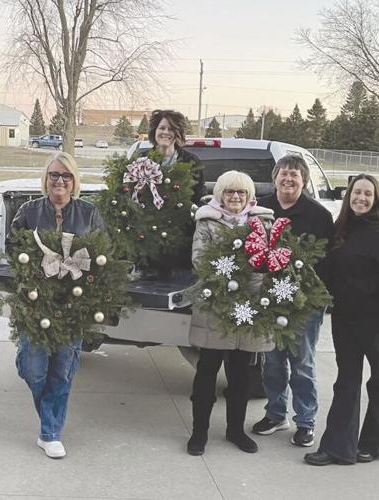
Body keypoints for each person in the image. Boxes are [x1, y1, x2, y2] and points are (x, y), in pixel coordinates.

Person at [305, 174, 379, 466]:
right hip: (346, 321)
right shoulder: (342, 229)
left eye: (367, 194)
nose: (360, 199)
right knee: (347, 382)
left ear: (376, 198)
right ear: (348, 197)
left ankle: (375, 444)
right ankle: (338, 447)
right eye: (356, 194)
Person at [9, 151, 106, 459]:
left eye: (66, 176)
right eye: (54, 175)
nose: (59, 181)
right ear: (45, 179)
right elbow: (12, 248)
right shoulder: (28, 210)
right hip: (35, 302)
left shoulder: (89, 212)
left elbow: (103, 252)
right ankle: (27, 369)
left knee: (62, 371)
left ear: (74, 180)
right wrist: (36, 266)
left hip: (71, 304)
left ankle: (50, 432)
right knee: (34, 370)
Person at [187, 171, 275, 456]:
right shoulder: (207, 221)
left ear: (250, 196)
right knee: (207, 371)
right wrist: (231, 278)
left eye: (241, 193)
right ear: (220, 195)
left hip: (248, 308)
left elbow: (271, 260)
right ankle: (199, 432)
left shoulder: (263, 222)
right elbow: (201, 260)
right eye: (229, 192)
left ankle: (235, 430)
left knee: (240, 373)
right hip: (215, 306)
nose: (235, 198)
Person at [252, 155, 334, 447]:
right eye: (283, 174)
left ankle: (306, 421)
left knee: (302, 365)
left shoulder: (318, 215)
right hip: (268, 301)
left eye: (294, 175)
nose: (288, 179)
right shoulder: (261, 209)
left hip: (303, 304)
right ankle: (275, 414)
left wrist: (316, 300)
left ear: (304, 180)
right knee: (272, 362)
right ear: (274, 179)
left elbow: (326, 263)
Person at [147, 109, 205, 204]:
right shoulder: (141, 159)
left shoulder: (191, 161)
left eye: (171, 129)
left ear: (178, 133)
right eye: (162, 128)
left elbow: (199, 196)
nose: (166, 132)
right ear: (154, 131)